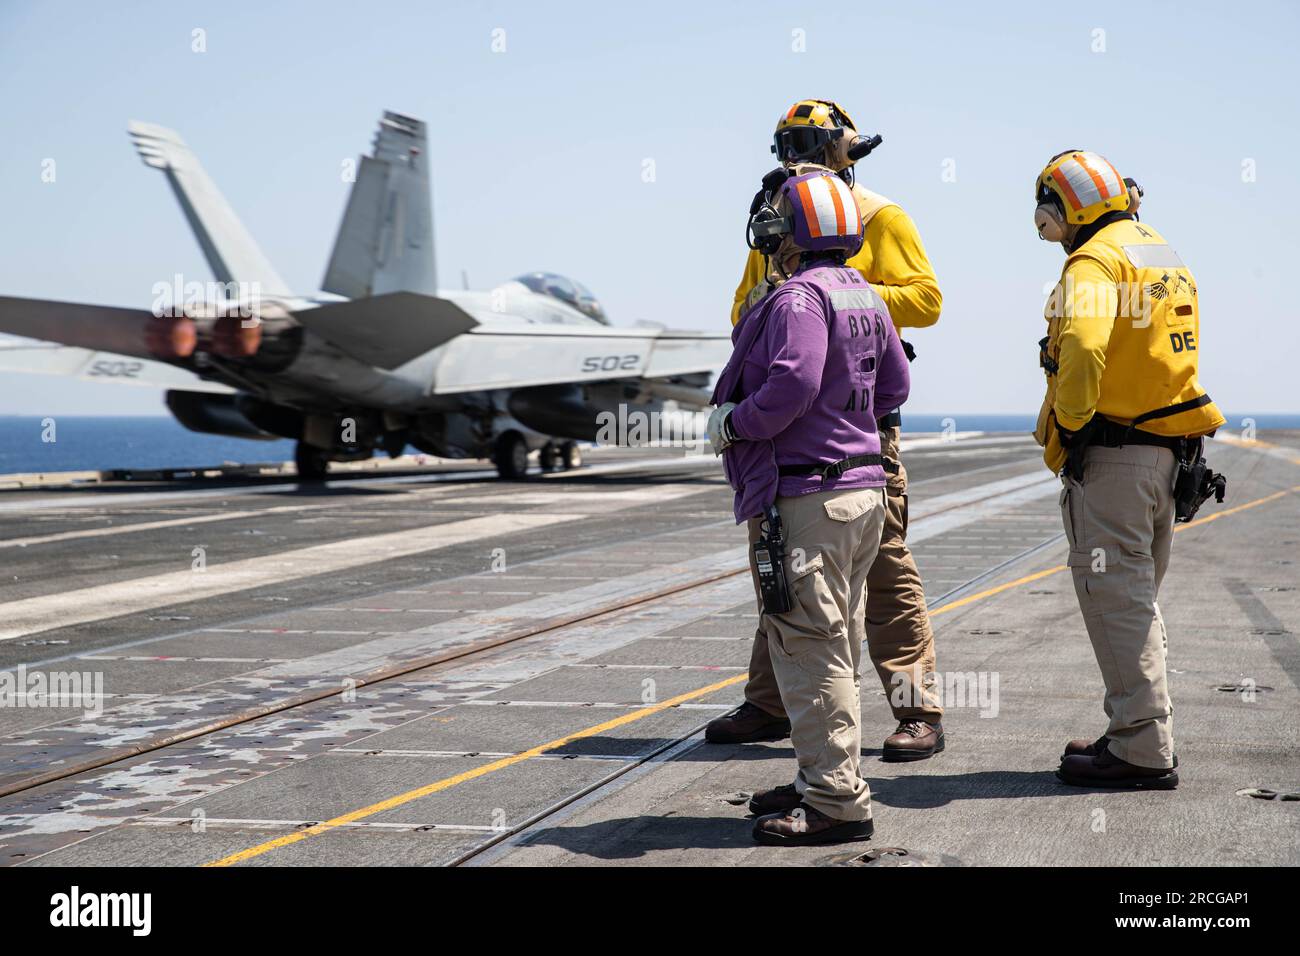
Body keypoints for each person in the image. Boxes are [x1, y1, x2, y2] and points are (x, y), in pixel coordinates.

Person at [708, 99, 945, 760]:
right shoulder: (773, 216)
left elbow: (925, 299)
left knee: (887, 570)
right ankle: (768, 703)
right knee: (781, 567)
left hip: (855, 424)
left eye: (809, 143)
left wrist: (837, 290)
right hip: (786, 437)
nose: (794, 157)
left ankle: (916, 709)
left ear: (846, 149)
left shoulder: (878, 216)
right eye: (787, 144)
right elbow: (741, 306)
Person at [708, 166, 911, 845]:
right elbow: (895, 386)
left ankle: (834, 801)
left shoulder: (798, 299)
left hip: (808, 499)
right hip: (862, 493)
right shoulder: (863, 293)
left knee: (809, 646)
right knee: (835, 640)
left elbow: (792, 381)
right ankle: (820, 775)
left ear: (785, 234)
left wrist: (739, 422)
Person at [1031, 150, 1226, 789]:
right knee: (1137, 603)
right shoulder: (1159, 252)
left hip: (1114, 459)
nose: (1042, 222)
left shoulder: (1093, 261)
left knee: (1119, 605)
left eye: (1048, 208)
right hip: (1169, 457)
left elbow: (1085, 344)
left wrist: (1076, 423)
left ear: (1069, 208)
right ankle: (1134, 729)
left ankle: (1143, 751)